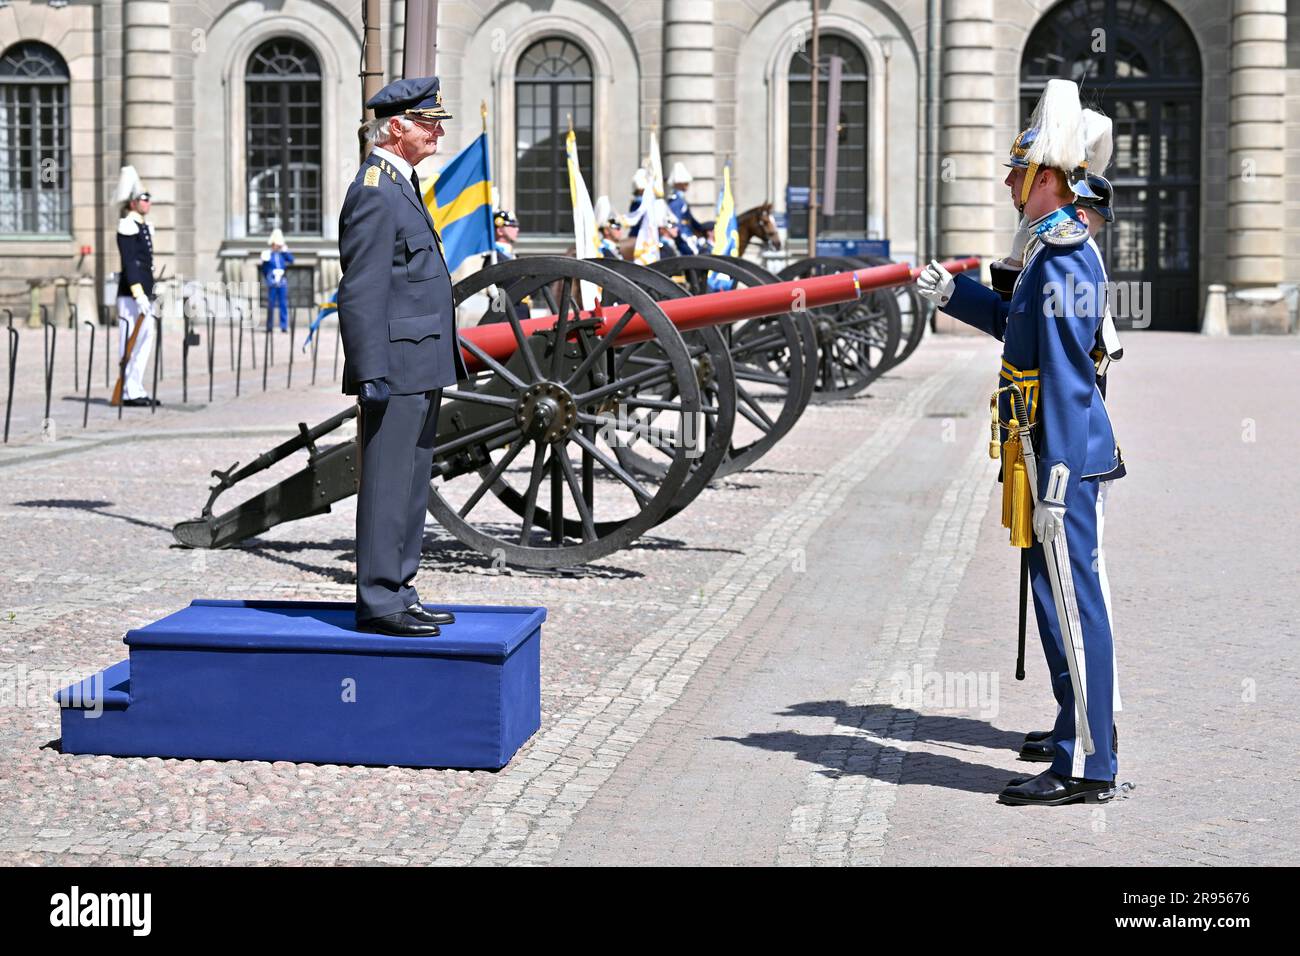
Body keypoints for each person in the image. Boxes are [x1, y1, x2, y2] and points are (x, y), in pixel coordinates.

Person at [916, 79, 1124, 806]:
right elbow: (1018, 325)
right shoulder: (1047, 249)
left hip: (1058, 453)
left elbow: (1068, 372)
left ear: (1047, 179)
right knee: (1053, 596)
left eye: (1018, 170)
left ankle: (1088, 766)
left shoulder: (1064, 254)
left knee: (1074, 603)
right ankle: (1074, 727)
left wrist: (1059, 470)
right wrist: (955, 294)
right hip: (1039, 450)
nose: (1008, 180)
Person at [338, 75, 469, 638]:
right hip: (394, 363)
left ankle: (399, 588)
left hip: (420, 360)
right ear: (397, 128)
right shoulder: (374, 189)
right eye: (428, 122)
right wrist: (370, 371)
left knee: (413, 479)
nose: (437, 130)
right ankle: (377, 599)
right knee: (389, 480)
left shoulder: (401, 184)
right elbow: (362, 288)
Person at [113, 165, 160, 408]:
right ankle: (128, 391)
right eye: (144, 198)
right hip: (132, 295)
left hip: (143, 294)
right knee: (130, 341)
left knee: (145, 338)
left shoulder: (143, 225)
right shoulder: (127, 226)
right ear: (133, 202)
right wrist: (139, 292)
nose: (147, 202)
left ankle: (136, 386)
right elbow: (130, 263)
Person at [666, 162, 708, 253]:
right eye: (685, 183)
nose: (687, 185)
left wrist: (702, 228)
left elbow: (690, 219)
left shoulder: (681, 199)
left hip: (688, 232)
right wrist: (683, 235)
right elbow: (676, 220)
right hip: (683, 235)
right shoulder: (676, 200)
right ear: (679, 184)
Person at [260, 229, 295, 332]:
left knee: (283, 304)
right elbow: (264, 269)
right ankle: (269, 326)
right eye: (277, 245)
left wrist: (286, 251)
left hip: (282, 282)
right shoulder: (268, 255)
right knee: (270, 304)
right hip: (273, 282)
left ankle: (283, 326)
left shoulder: (282, 255)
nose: (278, 246)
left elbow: (292, 260)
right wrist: (269, 278)